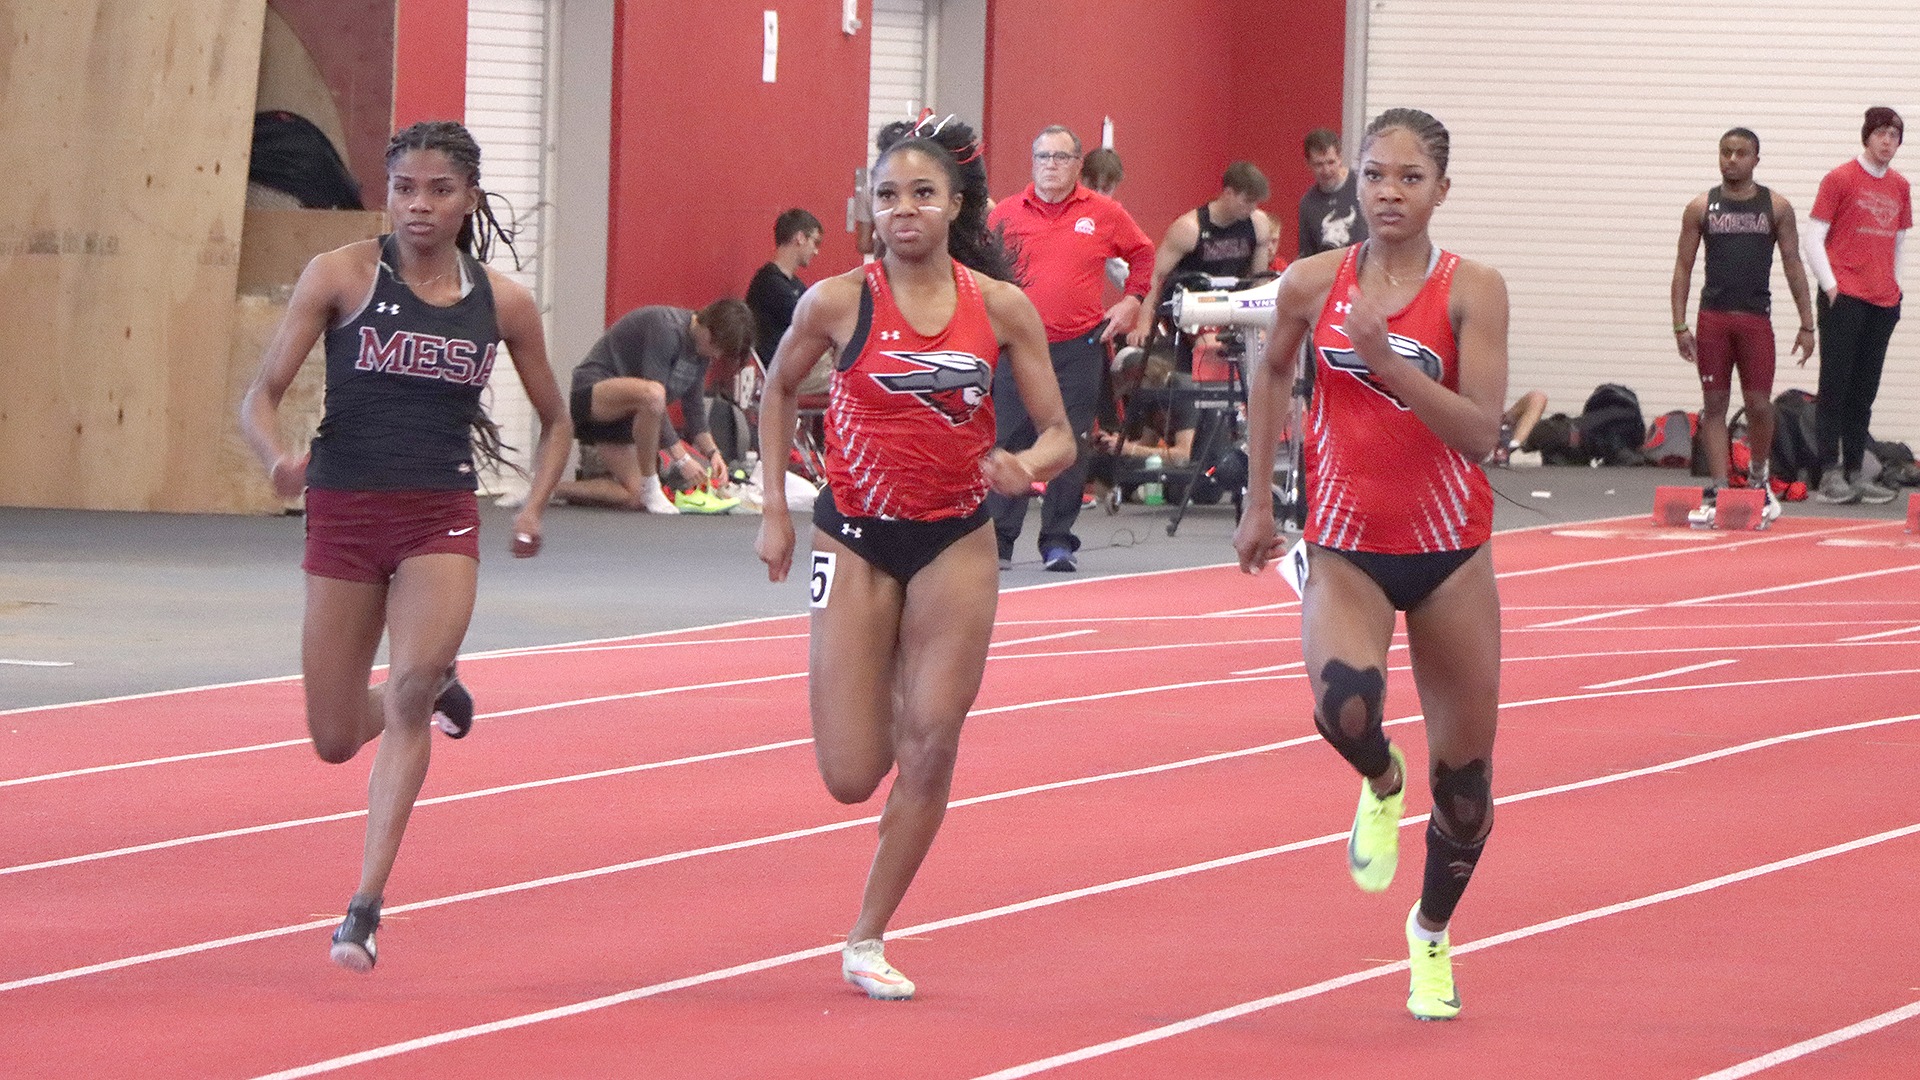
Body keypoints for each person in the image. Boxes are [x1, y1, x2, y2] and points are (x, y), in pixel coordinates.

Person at [238, 120, 571, 972]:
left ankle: (364, 906)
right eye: (404, 189)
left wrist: (532, 504)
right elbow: (262, 393)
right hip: (345, 514)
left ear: (468, 199)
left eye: (439, 191)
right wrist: (278, 458)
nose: (418, 206)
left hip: (439, 516)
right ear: (386, 193)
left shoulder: (503, 303)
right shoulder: (341, 274)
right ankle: (433, 689)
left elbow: (559, 419)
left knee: (412, 681)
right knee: (332, 737)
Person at [755, 121, 1073, 1000]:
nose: (905, 210)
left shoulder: (1000, 307)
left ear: (955, 205)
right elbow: (778, 388)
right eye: (889, 196)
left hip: (955, 537)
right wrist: (776, 512)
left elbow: (1059, 434)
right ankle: (883, 665)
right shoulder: (834, 302)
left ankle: (867, 936)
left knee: (931, 747)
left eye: (923, 194)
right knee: (852, 775)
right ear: (870, 207)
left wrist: (1026, 466)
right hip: (854, 533)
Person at [1234, 108, 1509, 1021]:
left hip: (1450, 556)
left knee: (1466, 793)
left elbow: (1479, 433)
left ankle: (1429, 933)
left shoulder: (1474, 290)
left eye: (1409, 178)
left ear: (1440, 190)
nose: (1389, 193)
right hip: (1347, 544)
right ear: (1353, 178)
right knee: (1342, 707)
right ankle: (1381, 780)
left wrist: (1391, 363)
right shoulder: (1314, 283)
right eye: (1375, 174)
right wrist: (1261, 499)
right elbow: (1272, 371)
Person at [987, 125, 1155, 571]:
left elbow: (1143, 253)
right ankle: (1000, 540)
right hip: (1016, 348)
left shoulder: (1104, 212)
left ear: (1079, 164)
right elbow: (974, 268)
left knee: (1071, 441)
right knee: (1009, 437)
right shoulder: (1004, 214)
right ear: (1032, 162)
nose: (1051, 166)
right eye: (1043, 157)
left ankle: (1058, 540)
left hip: (1077, 345)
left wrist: (1131, 302)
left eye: (1061, 158)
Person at [1671, 127, 1816, 525]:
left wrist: (1808, 324)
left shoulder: (1776, 207)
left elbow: (1792, 264)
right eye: (1725, 152)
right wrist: (1680, 324)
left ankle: (1758, 478)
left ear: (1756, 159)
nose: (1732, 160)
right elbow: (1683, 266)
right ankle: (1718, 486)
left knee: (1758, 404)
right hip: (1713, 318)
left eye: (1740, 153)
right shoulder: (1702, 207)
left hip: (1754, 320)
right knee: (1714, 405)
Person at [1128, 161, 1281, 468]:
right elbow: (1154, 275)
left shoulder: (1258, 224)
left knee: (1261, 344)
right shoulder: (1189, 228)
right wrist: (1143, 322)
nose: (1251, 208)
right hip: (1189, 306)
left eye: (1256, 203)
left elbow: (1261, 280)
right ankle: (1201, 425)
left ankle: (1245, 431)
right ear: (1227, 192)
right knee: (1209, 340)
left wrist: (1266, 323)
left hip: (1232, 303)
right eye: (1246, 200)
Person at [554, 299, 756, 513]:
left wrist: (714, 454)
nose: (716, 355)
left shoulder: (701, 352)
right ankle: (651, 484)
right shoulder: (666, 328)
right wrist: (682, 458)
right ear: (707, 326)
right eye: (716, 346)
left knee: (635, 497)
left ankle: (548, 488)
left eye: (721, 352)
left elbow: (695, 410)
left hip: (625, 416)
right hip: (593, 393)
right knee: (654, 394)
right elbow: (653, 401)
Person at [1803, 106, 1910, 505]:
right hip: (1845, 297)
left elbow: (1899, 238)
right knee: (1835, 386)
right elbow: (1813, 238)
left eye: (1894, 135)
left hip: (1882, 301)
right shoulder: (1840, 178)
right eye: (1881, 133)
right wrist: (1832, 288)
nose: (1887, 141)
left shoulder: (1899, 186)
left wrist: (1894, 286)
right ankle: (1829, 472)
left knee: (1864, 390)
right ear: (1867, 137)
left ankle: (1854, 470)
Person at [746, 208, 824, 361]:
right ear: (800, 238)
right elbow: (812, 325)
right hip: (774, 369)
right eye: (815, 242)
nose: (816, 252)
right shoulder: (769, 283)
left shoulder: (795, 285)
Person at [1298, 128, 1368, 258]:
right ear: (1308, 164)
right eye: (1319, 164)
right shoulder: (1308, 204)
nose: (1326, 170)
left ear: (1340, 158)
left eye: (1331, 162)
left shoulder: (1363, 185)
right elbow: (1307, 254)